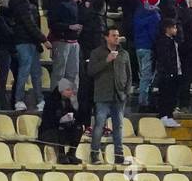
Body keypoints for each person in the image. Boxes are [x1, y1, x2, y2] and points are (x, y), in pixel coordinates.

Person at [88, 27, 131, 165]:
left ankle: (119, 156)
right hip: (102, 95)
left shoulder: (124, 54)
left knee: (118, 126)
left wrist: (126, 92)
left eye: (118, 35)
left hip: (119, 96)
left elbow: (129, 74)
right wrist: (106, 60)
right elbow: (90, 71)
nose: (116, 38)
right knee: (99, 125)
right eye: (113, 35)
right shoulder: (97, 53)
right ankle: (95, 155)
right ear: (106, 37)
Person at [38, 78, 81, 164]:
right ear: (61, 90)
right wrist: (61, 120)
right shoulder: (51, 101)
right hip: (48, 131)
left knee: (78, 128)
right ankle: (61, 155)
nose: (71, 92)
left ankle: (71, 153)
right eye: (68, 90)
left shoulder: (68, 101)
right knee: (61, 128)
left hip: (63, 130)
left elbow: (75, 115)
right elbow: (50, 120)